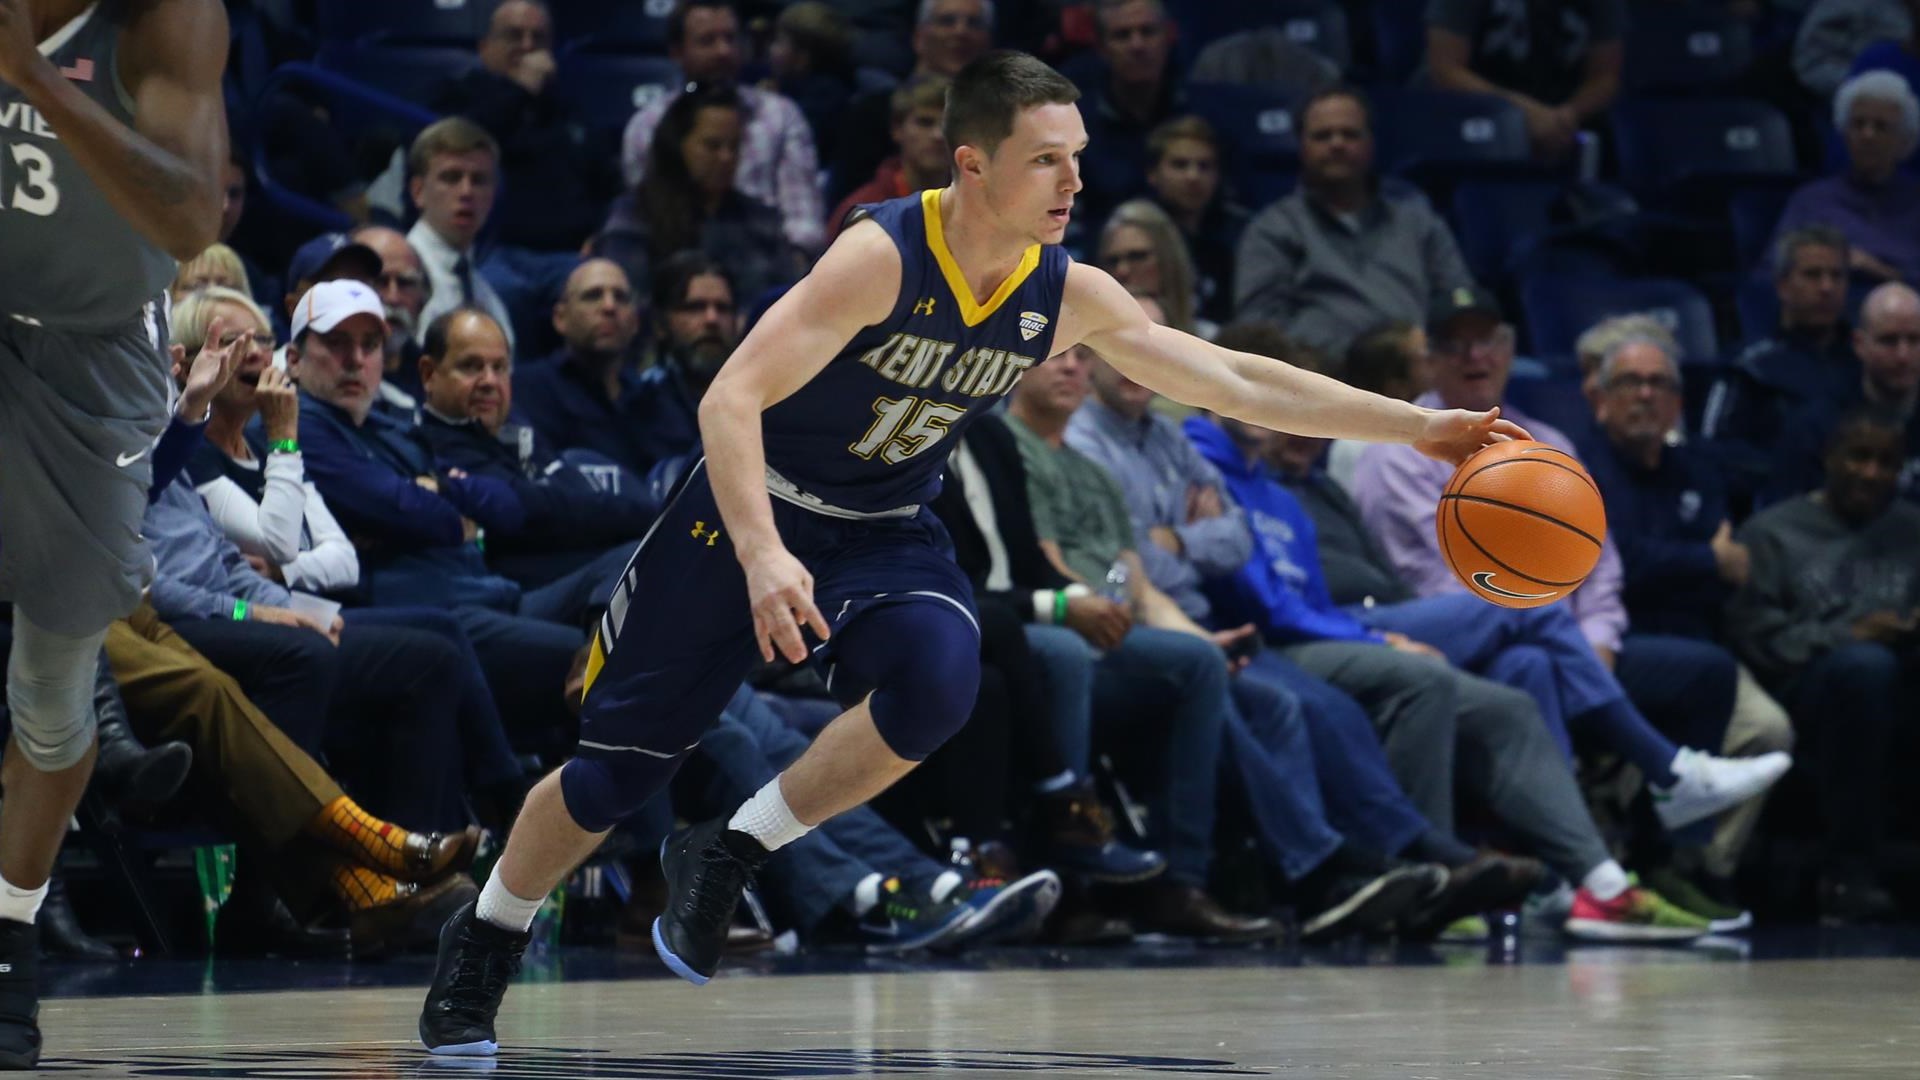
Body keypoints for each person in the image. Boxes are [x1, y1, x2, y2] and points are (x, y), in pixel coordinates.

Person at [418, 51, 1524, 1058]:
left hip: (881, 524)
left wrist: (1418, 425)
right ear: (973, 165)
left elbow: (1232, 379)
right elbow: (731, 396)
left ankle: (731, 849)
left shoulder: (1064, 292)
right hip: (744, 514)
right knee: (614, 776)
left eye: (1079, 159)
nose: (1072, 183)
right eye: (1046, 160)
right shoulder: (879, 257)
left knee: (943, 679)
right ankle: (491, 930)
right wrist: (761, 556)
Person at [0, 0, 229, 1066]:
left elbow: (191, 221)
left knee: (52, 689)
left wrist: (35, 81)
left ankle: (11, 931)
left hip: (92, 355)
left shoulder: (169, 17)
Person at [1728, 408, 1920, 923]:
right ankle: (1847, 873)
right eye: (1859, 457)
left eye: (1886, 462)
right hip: (1808, 689)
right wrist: (1848, 636)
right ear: (1829, 458)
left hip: (1902, 685)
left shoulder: (1913, 530)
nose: (1871, 473)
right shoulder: (1773, 533)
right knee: (1864, 669)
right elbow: (1757, 640)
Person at [1233, 85, 1474, 358]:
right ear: (1302, 147)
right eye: (1323, 136)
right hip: (1320, 382)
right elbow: (1259, 332)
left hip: (1417, 380)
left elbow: (1460, 306)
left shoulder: (1419, 223)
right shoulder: (1273, 229)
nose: (1337, 144)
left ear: (1370, 143)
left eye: (1350, 134)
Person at [620, 0, 825, 254]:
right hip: (674, 262)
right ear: (677, 51)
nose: (723, 51)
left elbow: (804, 224)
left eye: (730, 38)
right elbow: (643, 215)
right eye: (707, 41)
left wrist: (783, 266)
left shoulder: (780, 116)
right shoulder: (647, 126)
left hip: (766, 260)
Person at [593, 84, 805, 311]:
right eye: (712, 146)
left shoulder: (762, 220)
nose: (726, 157)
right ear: (678, 145)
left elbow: (788, 303)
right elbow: (628, 303)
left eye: (734, 147)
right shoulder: (633, 215)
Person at [433, 0, 618, 253]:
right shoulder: (460, 95)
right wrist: (520, 90)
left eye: (538, 38)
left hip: (566, 254)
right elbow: (461, 145)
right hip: (489, 251)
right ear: (485, 48)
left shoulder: (567, 109)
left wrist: (598, 234)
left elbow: (605, 183)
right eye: (514, 35)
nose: (527, 46)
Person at [1703, 225, 1860, 504]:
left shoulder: (1865, 360)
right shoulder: (1748, 369)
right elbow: (1714, 454)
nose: (1826, 287)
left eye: (1837, 276)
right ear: (1783, 286)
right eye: (1813, 275)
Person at [1765, 282, 1920, 507]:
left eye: (1915, 340)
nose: (1903, 356)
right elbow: (1787, 521)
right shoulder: (1817, 426)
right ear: (1859, 344)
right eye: (1889, 341)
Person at [1425, 0, 1625, 165]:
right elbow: (1445, 70)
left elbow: (1605, 77)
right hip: (1467, 123)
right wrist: (1522, 115)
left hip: (1561, 128)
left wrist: (1565, 117)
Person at [1770, 71, 1920, 286]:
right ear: (1845, 134)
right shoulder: (1812, 201)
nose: (1868, 135)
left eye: (1881, 127)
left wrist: (1882, 272)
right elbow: (1770, 275)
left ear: (1905, 141)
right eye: (1858, 124)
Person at [406, 118, 517, 353]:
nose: (466, 192)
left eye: (479, 180)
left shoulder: (490, 300)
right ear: (418, 191)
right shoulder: (395, 279)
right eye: (451, 177)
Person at [1142, 115, 1248, 326]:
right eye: (1180, 165)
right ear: (1153, 173)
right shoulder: (1135, 231)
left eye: (1204, 166)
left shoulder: (1241, 234)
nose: (1193, 176)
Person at [829, 76, 953, 241]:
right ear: (897, 128)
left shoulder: (982, 204)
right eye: (925, 122)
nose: (938, 135)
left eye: (949, 125)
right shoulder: (865, 210)